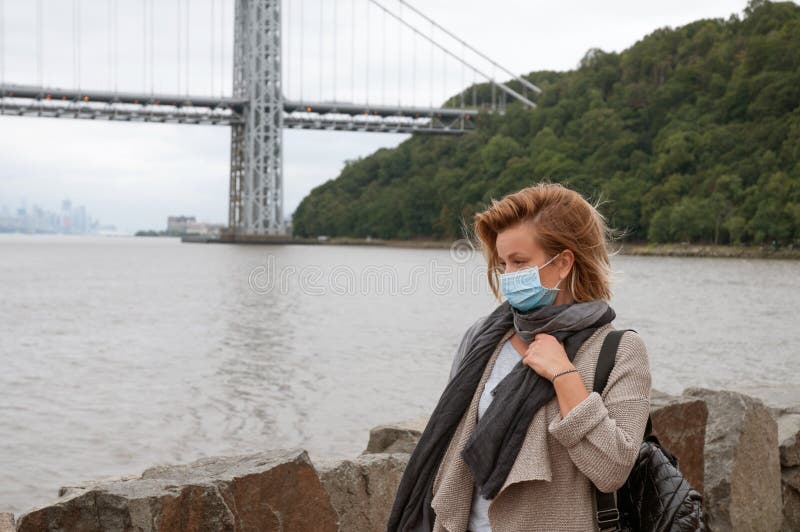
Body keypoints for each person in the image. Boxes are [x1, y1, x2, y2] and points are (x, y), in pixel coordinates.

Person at [387, 182, 652, 532]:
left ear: (563, 263)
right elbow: (450, 449)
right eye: (503, 264)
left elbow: (613, 470)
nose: (508, 277)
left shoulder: (619, 351)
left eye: (520, 262)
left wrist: (564, 376)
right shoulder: (484, 338)